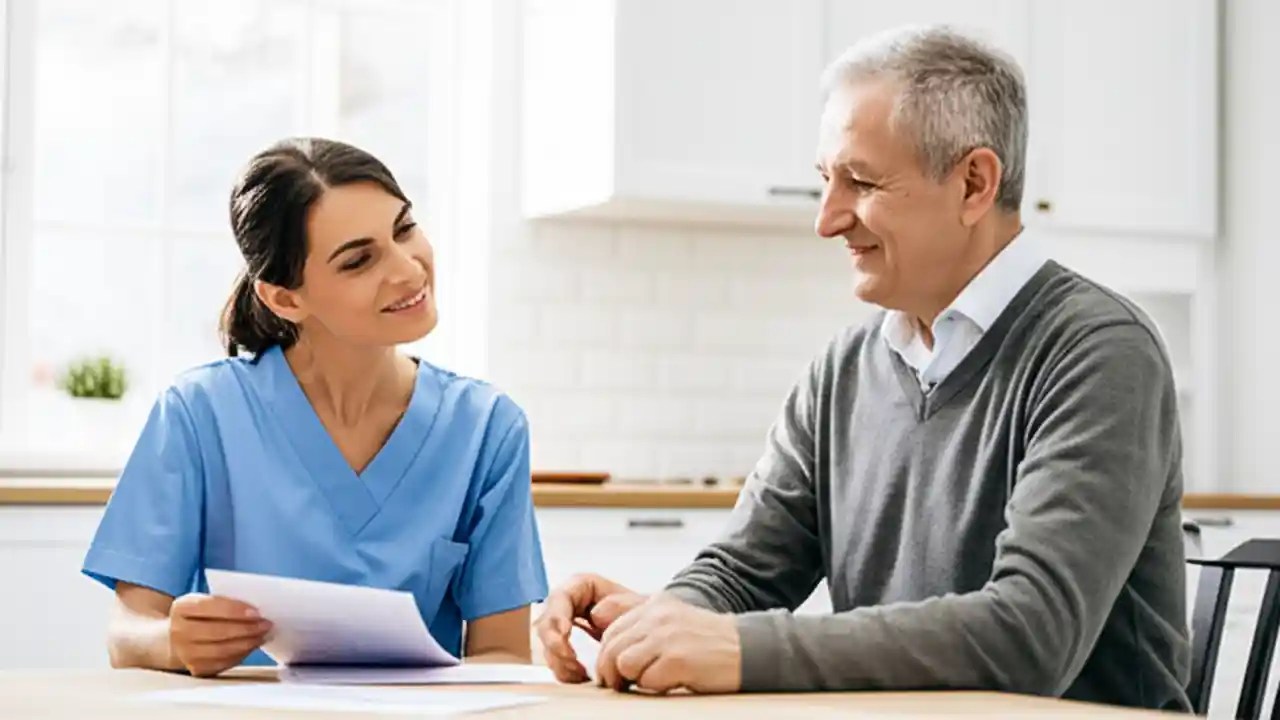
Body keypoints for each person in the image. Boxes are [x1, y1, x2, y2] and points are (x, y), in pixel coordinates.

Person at [536, 26, 1190, 710]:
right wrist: (658, 623)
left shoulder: (1099, 351)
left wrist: (740, 649)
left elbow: (1029, 636)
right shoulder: (844, 371)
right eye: (826, 180)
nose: (826, 220)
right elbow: (743, 571)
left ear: (974, 183)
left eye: (862, 181)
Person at [82, 138, 547, 677]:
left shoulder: (487, 428)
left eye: (404, 229)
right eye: (358, 260)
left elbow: (503, 656)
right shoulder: (198, 413)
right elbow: (127, 634)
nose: (408, 269)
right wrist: (169, 643)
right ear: (285, 298)